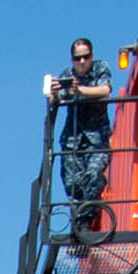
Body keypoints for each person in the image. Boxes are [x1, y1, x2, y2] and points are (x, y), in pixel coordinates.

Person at [49, 39, 116, 227]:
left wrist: (80, 90)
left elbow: (105, 90)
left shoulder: (100, 68)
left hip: (96, 138)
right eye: (78, 58)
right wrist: (54, 94)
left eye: (86, 57)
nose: (82, 61)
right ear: (72, 60)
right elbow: (56, 102)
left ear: (92, 56)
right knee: (72, 184)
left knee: (93, 174)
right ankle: (79, 222)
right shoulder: (67, 76)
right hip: (73, 138)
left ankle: (85, 221)